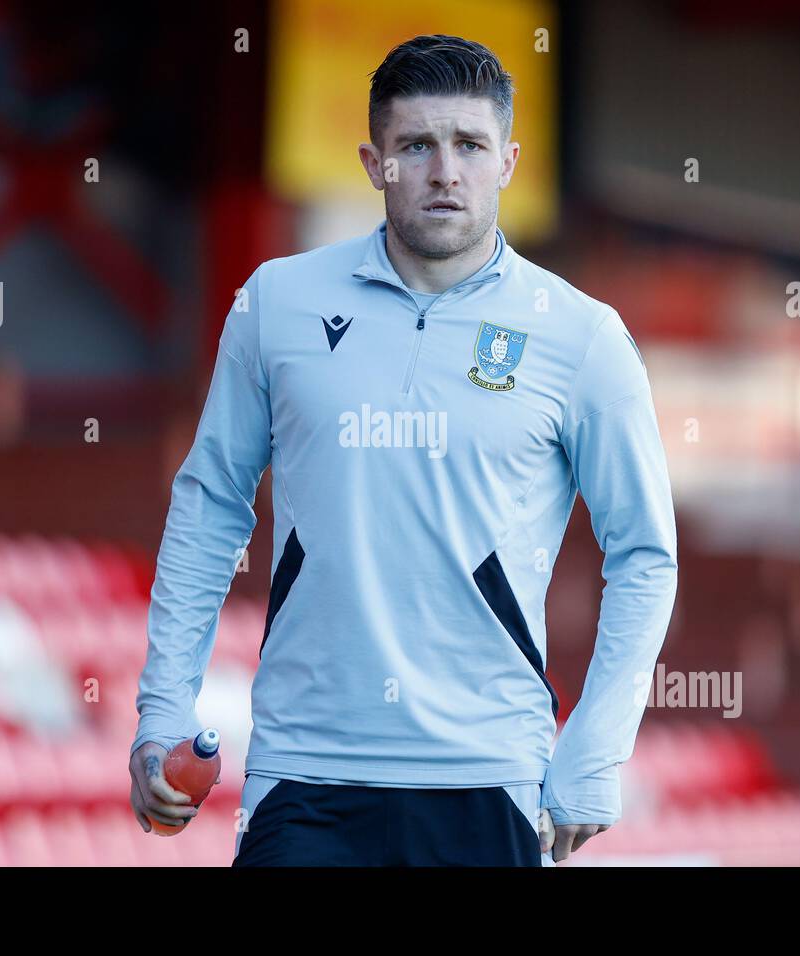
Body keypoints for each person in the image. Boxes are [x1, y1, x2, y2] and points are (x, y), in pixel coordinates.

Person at [128, 34, 678, 866]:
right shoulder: (277, 303)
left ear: (508, 162)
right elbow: (208, 504)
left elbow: (645, 554)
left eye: (469, 146)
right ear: (373, 162)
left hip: (490, 777)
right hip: (305, 775)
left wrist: (593, 754)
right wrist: (161, 712)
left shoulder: (582, 337)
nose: (444, 171)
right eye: (415, 146)